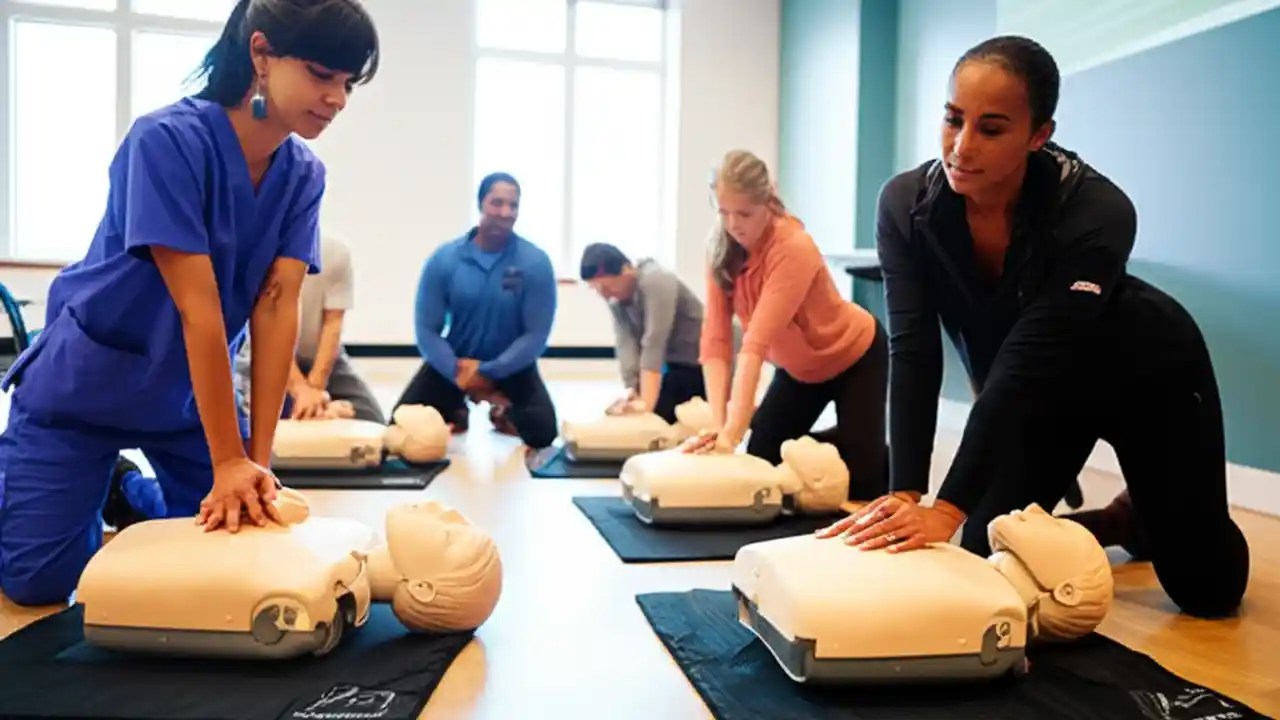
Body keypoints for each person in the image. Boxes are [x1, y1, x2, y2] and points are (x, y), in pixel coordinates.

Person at [818, 36, 1250, 619]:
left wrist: (947, 508)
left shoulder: (1097, 210)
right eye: (952, 120)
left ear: (1038, 134)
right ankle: (1120, 520)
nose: (962, 147)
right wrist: (906, 493)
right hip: (1051, 391)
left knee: (1208, 591)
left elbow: (1025, 358)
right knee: (978, 554)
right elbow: (915, 349)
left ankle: (1163, 511)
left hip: (1147, 373)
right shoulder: (906, 206)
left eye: (991, 129)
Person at [0, 0, 380, 607]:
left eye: (347, 83)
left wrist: (254, 466)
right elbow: (197, 308)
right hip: (82, 388)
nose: (336, 98)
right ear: (261, 53)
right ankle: (57, 483)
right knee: (38, 584)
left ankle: (130, 493)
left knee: (237, 542)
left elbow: (277, 308)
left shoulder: (303, 174)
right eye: (320, 73)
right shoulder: (165, 142)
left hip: (182, 401)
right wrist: (225, 460)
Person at [682, 149, 889, 502]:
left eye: (744, 213)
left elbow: (755, 344)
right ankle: (854, 438)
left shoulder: (794, 247)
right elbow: (716, 343)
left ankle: (868, 444)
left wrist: (733, 432)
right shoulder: (720, 250)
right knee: (761, 458)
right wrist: (720, 426)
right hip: (798, 369)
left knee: (863, 482)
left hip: (854, 355)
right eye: (724, 212)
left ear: (768, 203)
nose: (734, 224)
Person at [395, 172, 559, 451]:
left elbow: (536, 335)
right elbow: (427, 330)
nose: (506, 212)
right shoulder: (445, 259)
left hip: (512, 365)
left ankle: (502, 410)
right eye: (497, 203)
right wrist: (458, 373)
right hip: (455, 365)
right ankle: (457, 409)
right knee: (400, 426)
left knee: (543, 432)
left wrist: (488, 371)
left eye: (513, 205)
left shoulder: (535, 262)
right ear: (481, 204)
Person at [233, 235, 385, 424]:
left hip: (322, 358)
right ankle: (323, 411)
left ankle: (329, 411)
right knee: (243, 415)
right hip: (263, 355)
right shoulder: (258, 256)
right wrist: (300, 389)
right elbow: (265, 333)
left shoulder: (335, 254)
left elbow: (333, 324)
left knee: (372, 418)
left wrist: (315, 389)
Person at [579, 242, 706, 424]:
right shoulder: (615, 298)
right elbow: (626, 344)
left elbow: (654, 341)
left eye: (606, 287)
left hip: (710, 358)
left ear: (626, 269)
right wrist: (632, 391)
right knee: (651, 411)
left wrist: (646, 407)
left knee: (659, 415)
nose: (605, 295)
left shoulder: (656, 280)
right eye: (597, 289)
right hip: (678, 363)